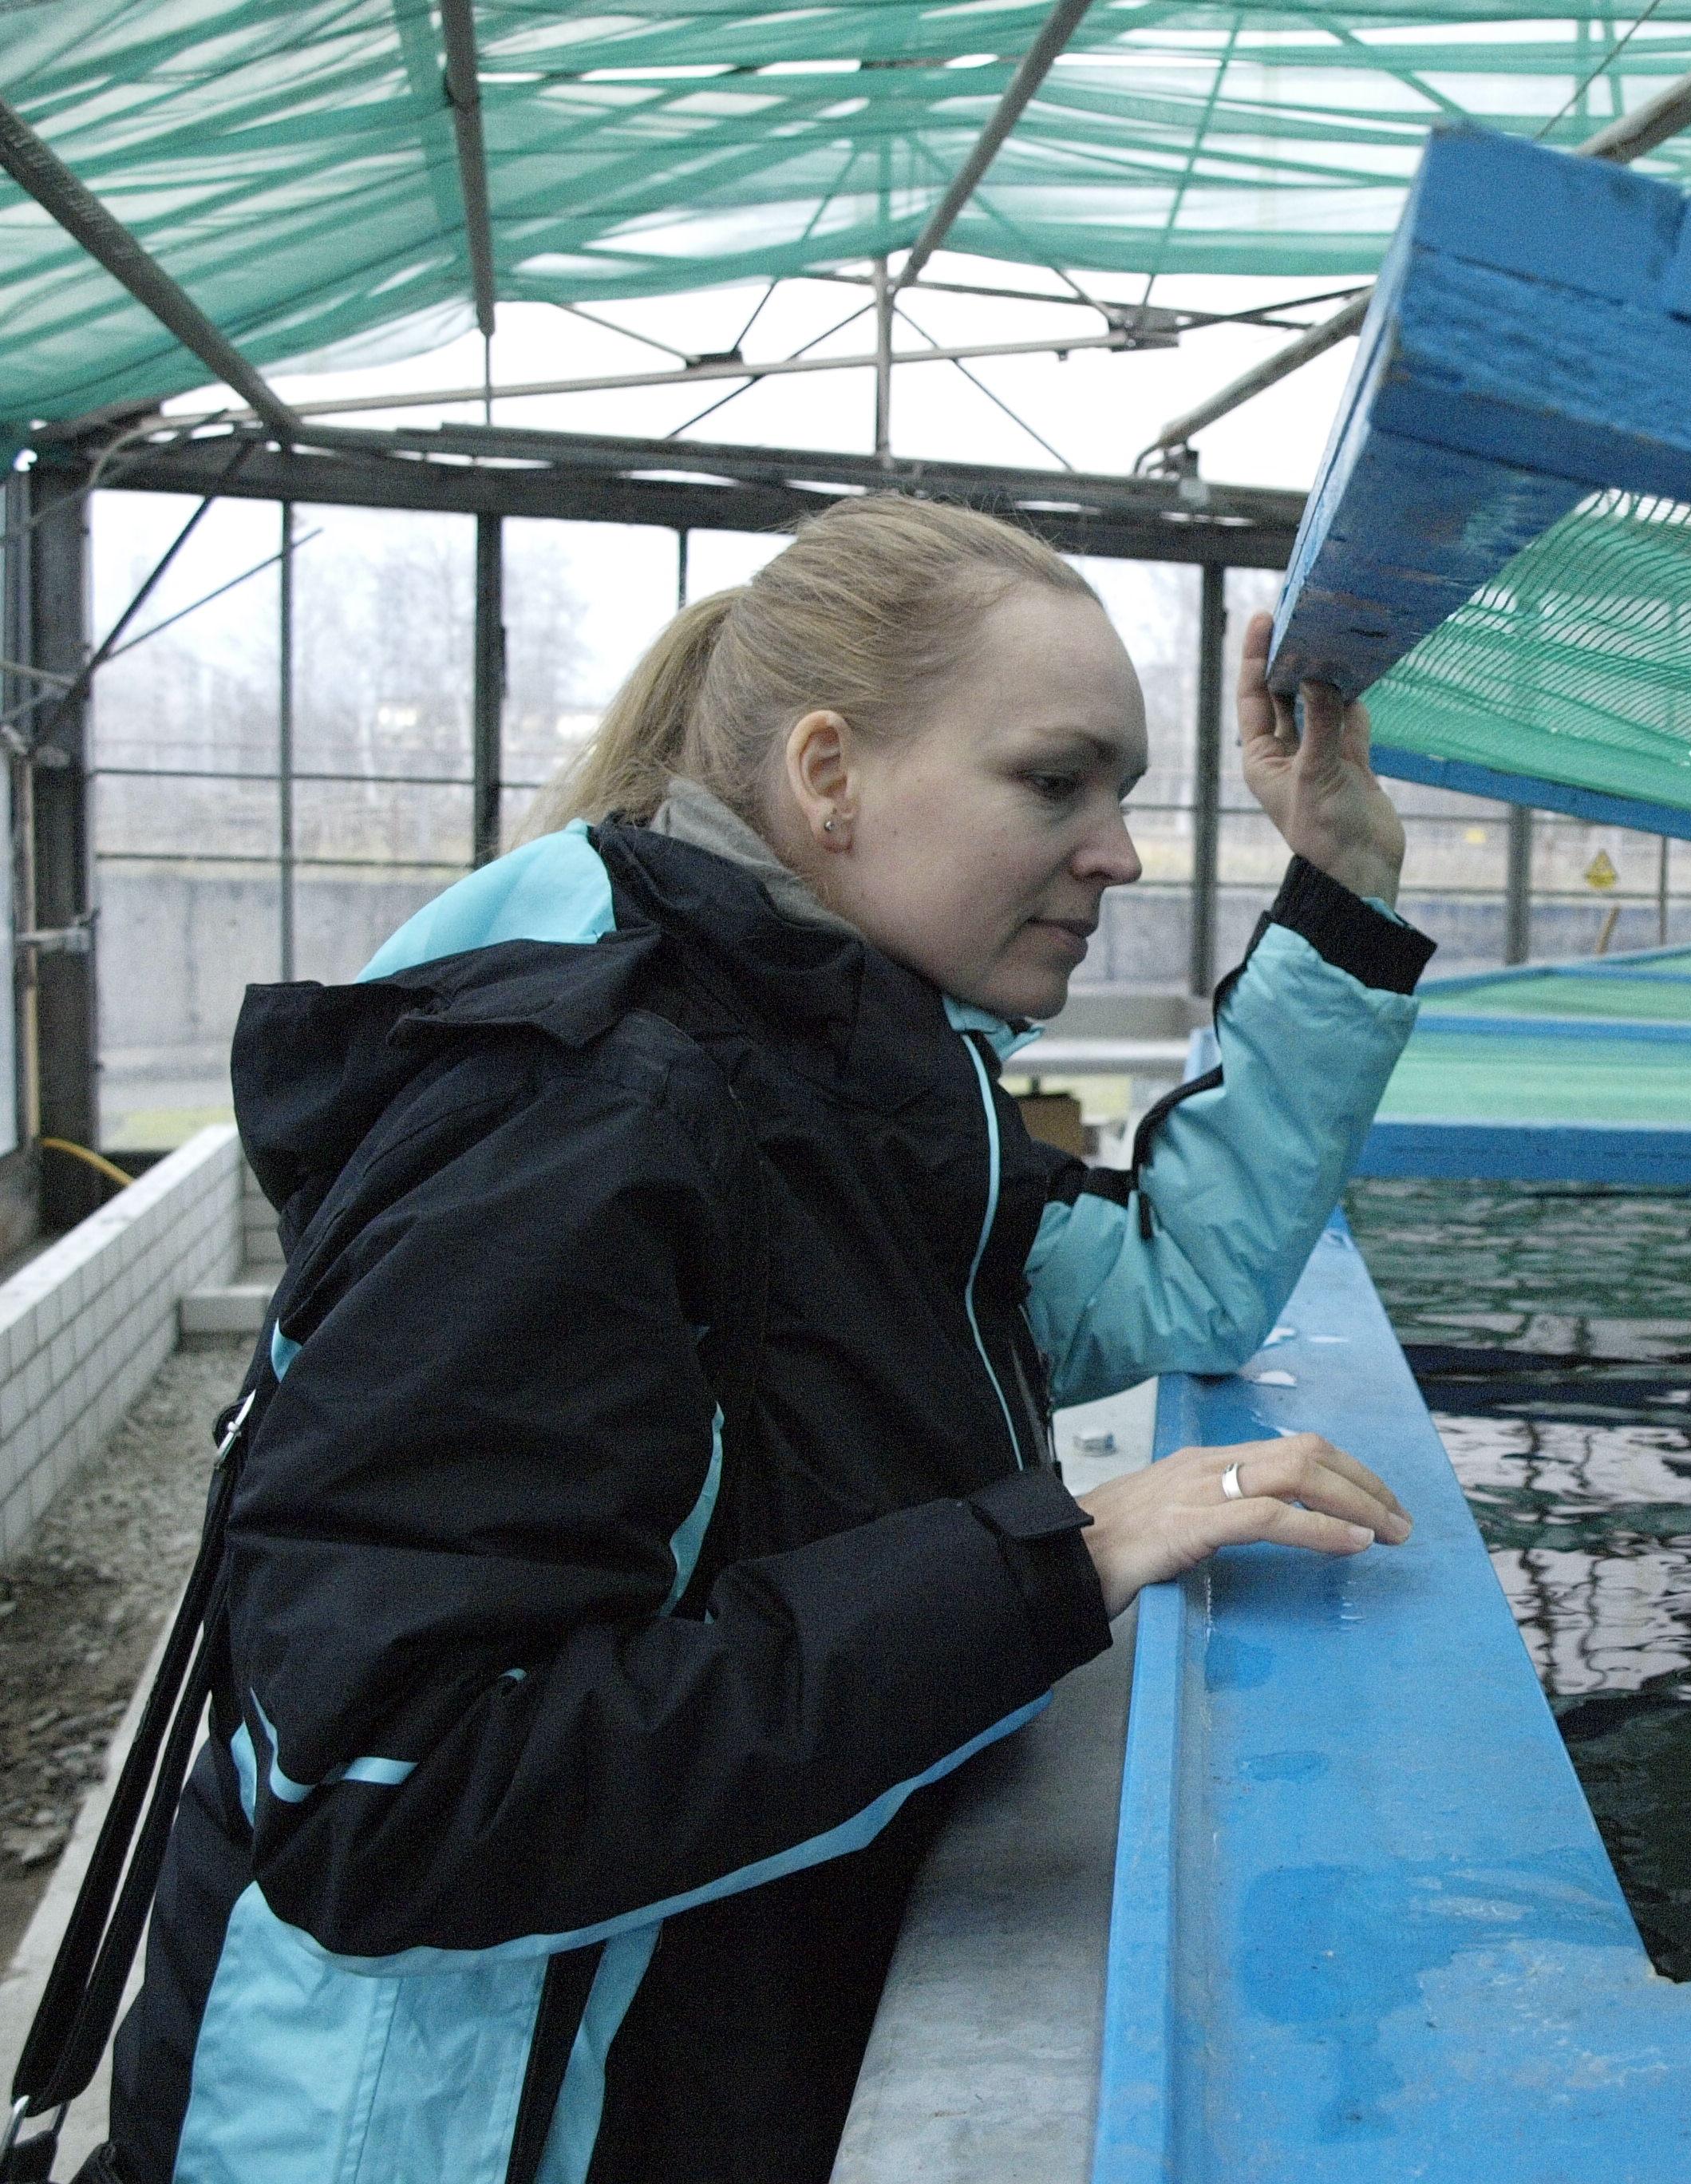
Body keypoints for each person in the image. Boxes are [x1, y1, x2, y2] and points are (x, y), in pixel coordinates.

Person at [103, 497, 1429, 2184]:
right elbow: (394, 1794)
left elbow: (1172, 1280)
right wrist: (1051, 1560)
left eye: (1126, 796)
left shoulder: (839, 1092)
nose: (1121, 854)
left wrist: (1348, 885)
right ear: (828, 778)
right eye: (1055, 781)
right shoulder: (579, 1120)